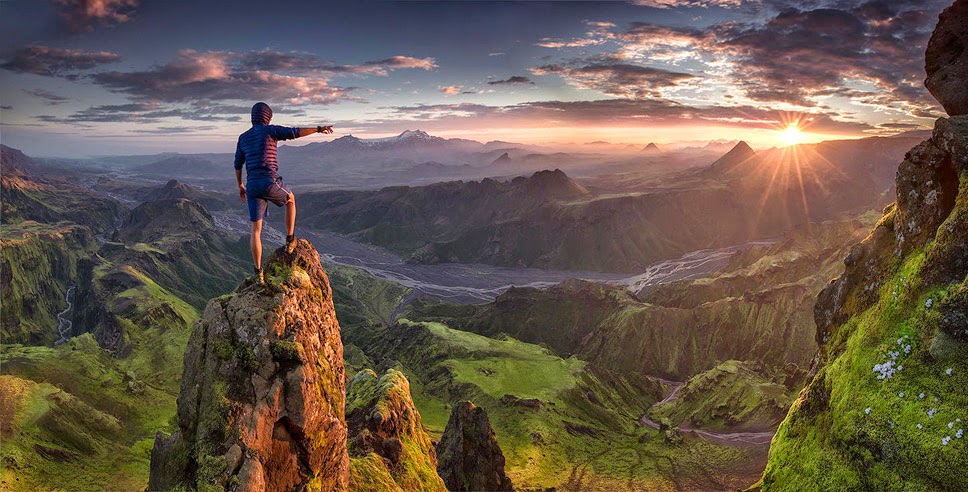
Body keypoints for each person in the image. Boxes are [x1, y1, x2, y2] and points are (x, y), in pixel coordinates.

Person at [234, 102, 333, 284]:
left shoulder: (243, 137)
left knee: (255, 230)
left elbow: (238, 164)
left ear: (253, 117)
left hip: (252, 185)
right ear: (267, 117)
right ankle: (290, 239)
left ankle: (258, 273)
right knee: (291, 199)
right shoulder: (270, 131)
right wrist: (318, 128)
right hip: (269, 181)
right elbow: (295, 132)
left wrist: (241, 185)